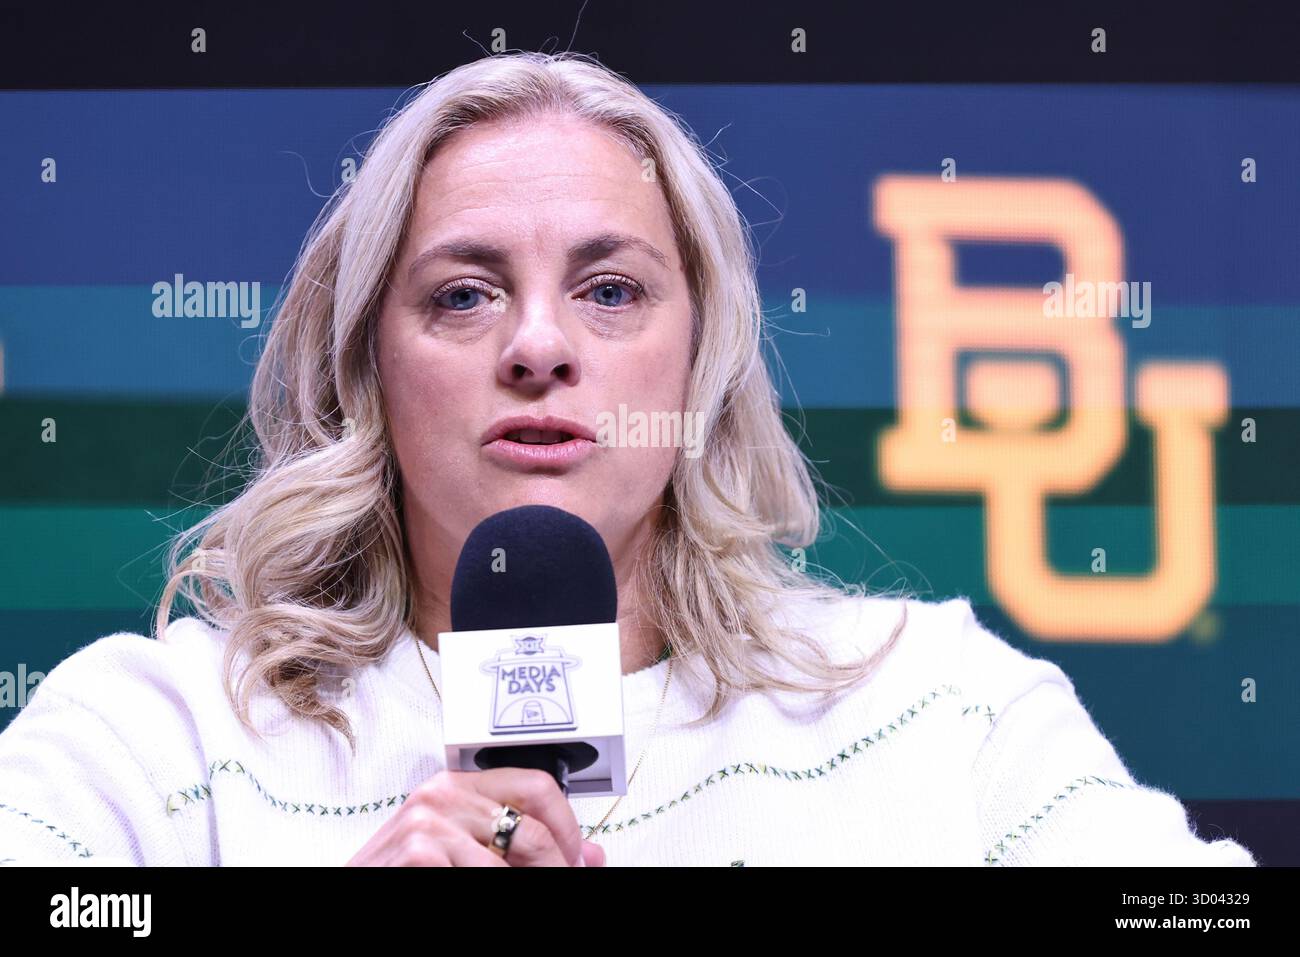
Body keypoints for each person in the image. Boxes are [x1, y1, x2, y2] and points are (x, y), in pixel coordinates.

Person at [0, 51, 1255, 867]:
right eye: (463, 295)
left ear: (699, 355)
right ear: (366, 363)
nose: (539, 346)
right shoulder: (149, 734)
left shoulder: (940, 706)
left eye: (609, 290)